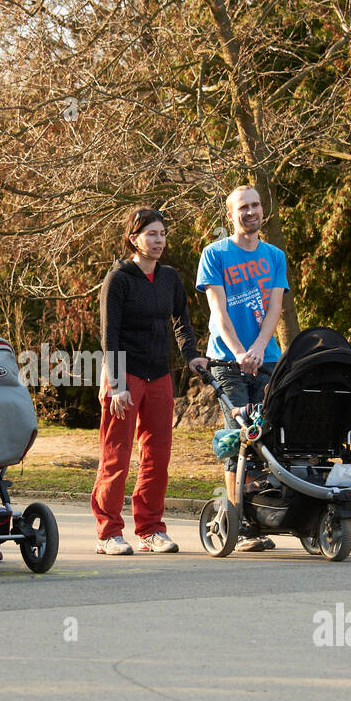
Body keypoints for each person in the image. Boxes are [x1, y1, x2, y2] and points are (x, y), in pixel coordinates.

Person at [92, 207, 206, 554]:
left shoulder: (169, 278)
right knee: (117, 453)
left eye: (162, 234)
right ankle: (108, 532)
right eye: (151, 234)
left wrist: (192, 357)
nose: (158, 241)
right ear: (133, 239)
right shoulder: (119, 279)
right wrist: (117, 384)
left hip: (159, 374)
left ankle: (151, 529)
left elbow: (182, 324)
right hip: (124, 372)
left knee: (158, 455)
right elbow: (109, 335)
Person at [196, 185, 290, 552]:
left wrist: (258, 349)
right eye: (243, 207)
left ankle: (264, 512)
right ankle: (240, 522)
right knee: (239, 434)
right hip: (227, 360)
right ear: (230, 214)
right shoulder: (215, 254)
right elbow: (218, 312)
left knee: (267, 434)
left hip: (266, 358)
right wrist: (239, 352)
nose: (250, 212)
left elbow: (275, 310)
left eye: (255, 206)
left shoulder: (275, 256)